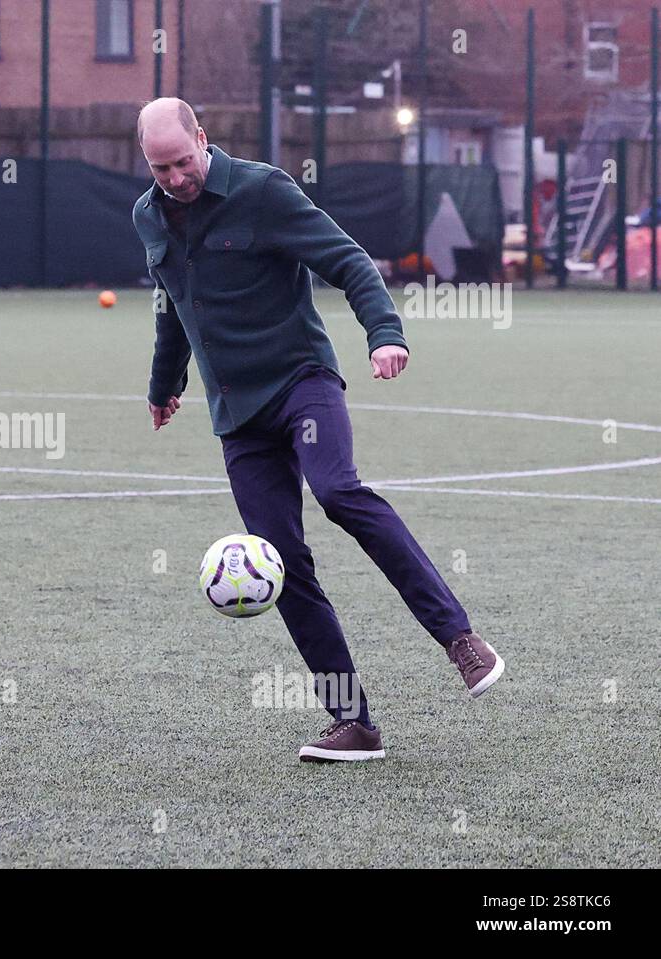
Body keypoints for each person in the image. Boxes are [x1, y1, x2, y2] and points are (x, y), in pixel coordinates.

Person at [133, 98, 504, 762]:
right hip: (238, 418)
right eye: (160, 168)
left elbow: (351, 262)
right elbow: (173, 307)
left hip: (302, 383)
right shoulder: (148, 215)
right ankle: (353, 723)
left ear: (203, 141)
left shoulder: (262, 190)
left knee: (338, 492)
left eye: (183, 162)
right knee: (281, 563)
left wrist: (386, 335)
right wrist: (166, 386)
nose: (175, 178)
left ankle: (461, 639)